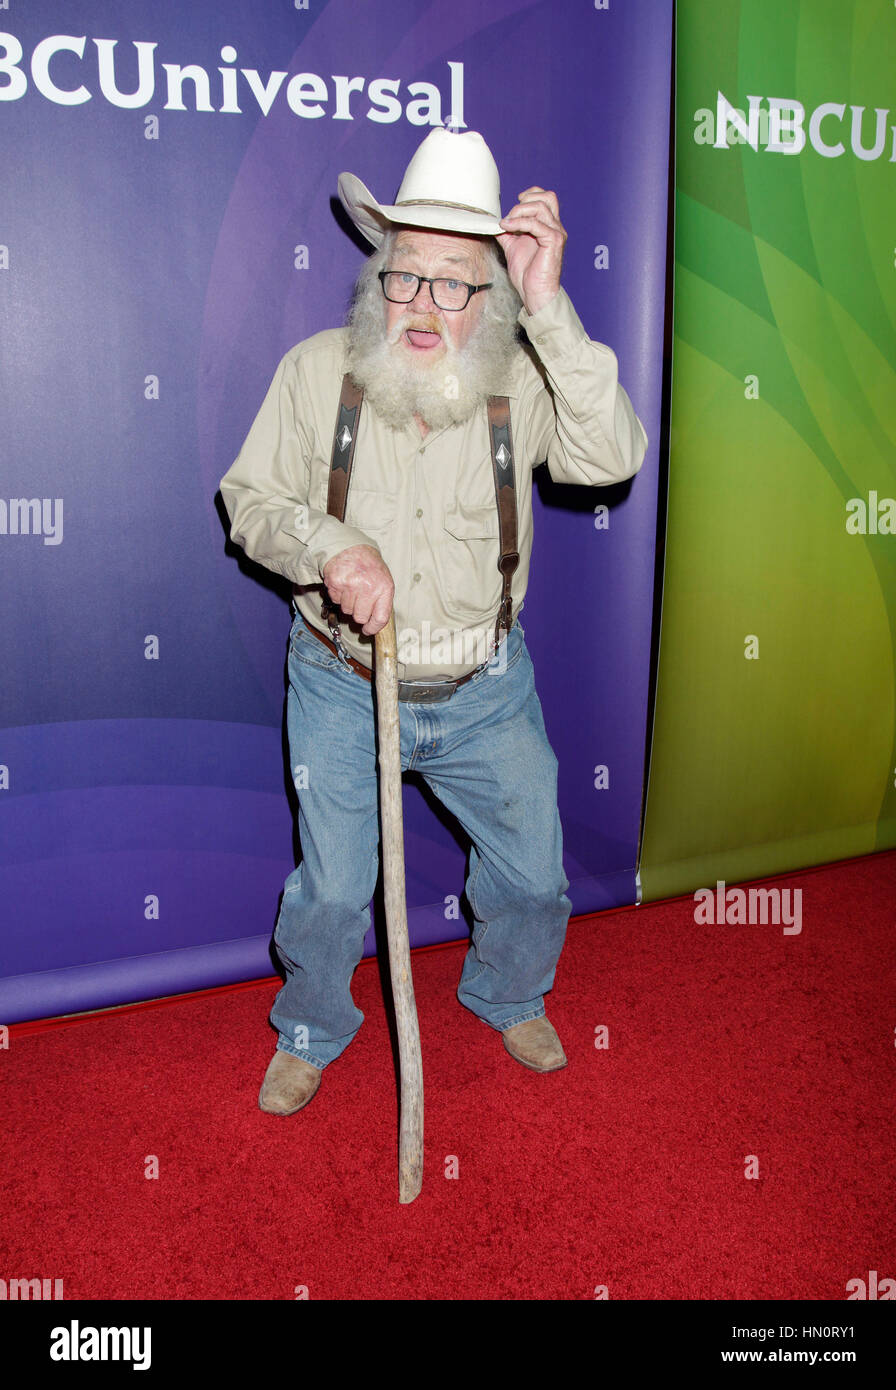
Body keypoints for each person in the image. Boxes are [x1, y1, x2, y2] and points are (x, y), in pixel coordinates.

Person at [219, 127, 648, 1116]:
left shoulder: (525, 380)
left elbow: (611, 457)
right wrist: (330, 547)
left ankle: (507, 991)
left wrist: (552, 310)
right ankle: (313, 1025)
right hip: (340, 675)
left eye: (456, 283)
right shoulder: (316, 371)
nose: (423, 304)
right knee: (331, 891)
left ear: (493, 295)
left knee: (538, 875)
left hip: (484, 688)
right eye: (405, 277)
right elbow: (249, 499)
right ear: (378, 278)